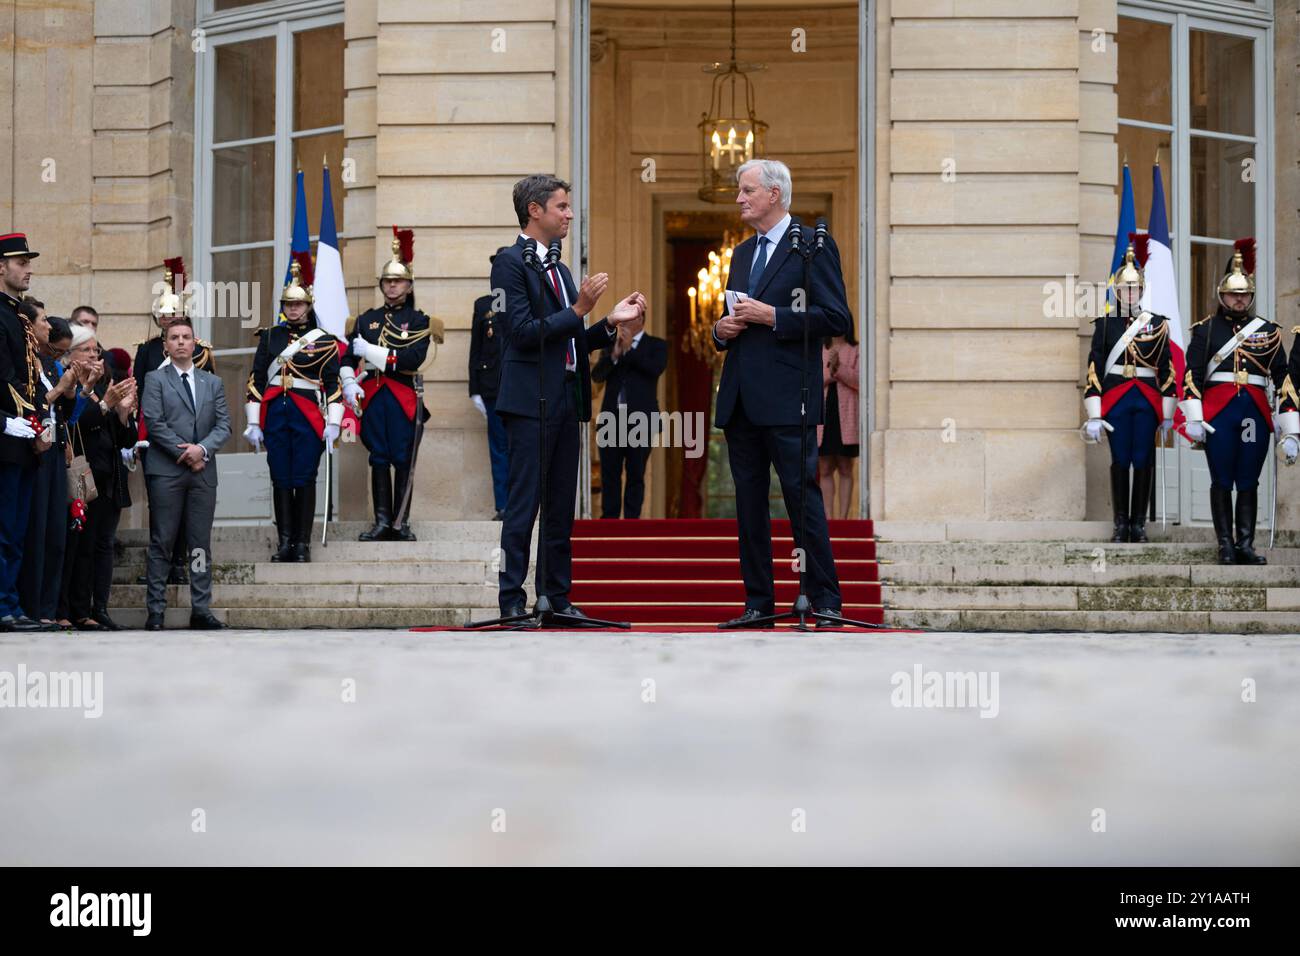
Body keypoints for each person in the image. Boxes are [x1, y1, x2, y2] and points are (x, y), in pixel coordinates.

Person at [492, 173, 644, 618]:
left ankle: (556, 599)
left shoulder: (557, 268)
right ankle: (511, 603)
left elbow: (571, 340)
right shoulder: (508, 263)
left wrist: (611, 322)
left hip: (565, 399)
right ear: (534, 210)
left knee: (561, 506)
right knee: (524, 505)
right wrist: (578, 309)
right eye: (561, 206)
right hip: (527, 401)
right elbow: (518, 334)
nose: (570, 214)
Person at [711, 159, 847, 628]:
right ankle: (758, 605)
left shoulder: (812, 246)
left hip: (791, 397)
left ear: (774, 194)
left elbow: (837, 319)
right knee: (748, 507)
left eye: (747, 190)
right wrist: (720, 329)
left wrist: (775, 317)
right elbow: (732, 318)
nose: (739, 198)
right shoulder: (742, 255)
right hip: (740, 399)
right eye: (739, 191)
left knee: (801, 499)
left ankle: (824, 598)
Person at [1181, 238, 1296, 565]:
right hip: (1218, 414)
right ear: (1222, 296)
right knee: (1221, 478)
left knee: (1248, 478)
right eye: (1234, 294)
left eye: (1244, 294)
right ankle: (1225, 545)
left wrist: (1290, 430)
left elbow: (1283, 379)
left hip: (1254, 414)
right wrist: (1193, 416)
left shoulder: (1269, 332)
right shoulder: (1206, 331)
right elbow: (1193, 374)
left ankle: (1244, 544)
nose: (1239, 299)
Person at [340, 227, 443, 542]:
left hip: (402, 396)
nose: (392, 286)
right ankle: (382, 522)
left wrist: (372, 352)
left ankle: (400, 523)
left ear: (408, 284)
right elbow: (346, 357)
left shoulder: (421, 321)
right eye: (387, 281)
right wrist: (347, 380)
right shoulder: (366, 320)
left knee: (402, 458)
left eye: (397, 281)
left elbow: (412, 359)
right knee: (379, 458)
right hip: (373, 395)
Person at [244, 259, 344, 562]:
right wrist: (253, 421)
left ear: (308, 306)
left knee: (304, 478)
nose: (293, 309)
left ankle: (302, 544)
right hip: (276, 415)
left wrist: (335, 424)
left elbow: (333, 385)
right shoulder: (270, 337)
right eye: (288, 304)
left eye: (299, 305)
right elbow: (256, 379)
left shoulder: (324, 341)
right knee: (280, 478)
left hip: (308, 417)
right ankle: (284, 542)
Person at [1081, 238, 1175, 543]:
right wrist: (1094, 413)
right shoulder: (1105, 325)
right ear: (1116, 291)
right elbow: (1094, 370)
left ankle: (1139, 524)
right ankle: (1120, 524)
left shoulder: (1158, 325)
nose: (1129, 293)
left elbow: (1168, 371)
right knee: (1121, 458)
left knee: (1143, 458)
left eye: (1134, 288)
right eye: (1124, 289)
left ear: (1142, 291)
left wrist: (1169, 412)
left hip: (1147, 398)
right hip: (1116, 398)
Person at [140, 317, 231, 630]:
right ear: (165, 345)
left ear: (195, 343)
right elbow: (154, 423)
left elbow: (224, 425)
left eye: (186, 337)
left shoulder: (212, 383)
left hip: (203, 474)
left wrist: (202, 450)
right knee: (162, 541)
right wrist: (186, 454)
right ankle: (155, 611)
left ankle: (201, 609)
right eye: (174, 337)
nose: (180, 342)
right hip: (167, 472)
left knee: (199, 545)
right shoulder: (155, 379)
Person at [133, 258, 215, 586]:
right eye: (163, 316)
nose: (168, 320)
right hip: (158, 438)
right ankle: (161, 566)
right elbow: (139, 392)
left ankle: (182, 563)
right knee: (161, 506)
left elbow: (208, 397)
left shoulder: (201, 351)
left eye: (174, 315)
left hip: (192, 439)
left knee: (190, 509)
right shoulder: (148, 351)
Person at [55, 323, 136, 631]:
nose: (94, 355)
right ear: (71, 353)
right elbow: (79, 421)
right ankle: (62, 609)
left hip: (104, 477)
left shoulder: (104, 384)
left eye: (96, 350)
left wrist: (124, 412)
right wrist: (104, 404)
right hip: (76, 474)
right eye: (86, 350)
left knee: (91, 548)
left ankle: (84, 609)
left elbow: (124, 438)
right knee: (72, 546)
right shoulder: (72, 382)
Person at [0, 232, 51, 633]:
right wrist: (14, 416)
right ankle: (3, 606)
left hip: (22, 436)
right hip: (5, 433)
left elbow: (30, 377)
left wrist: (39, 418)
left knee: (16, 528)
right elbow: (4, 377)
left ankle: (11, 604)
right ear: (1, 268)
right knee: (4, 527)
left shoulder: (18, 315)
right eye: (20, 262)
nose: (28, 268)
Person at [17, 311, 74, 629]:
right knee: (35, 531)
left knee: (55, 531)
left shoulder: (52, 365)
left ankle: (49, 608)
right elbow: (35, 402)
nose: (58, 356)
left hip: (55, 449)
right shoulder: (29, 361)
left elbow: (62, 412)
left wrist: (72, 390)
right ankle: (32, 606)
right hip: (34, 448)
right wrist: (58, 390)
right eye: (55, 350)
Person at [591, 305, 667, 519]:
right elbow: (597, 376)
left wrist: (629, 350)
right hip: (611, 421)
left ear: (641, 319)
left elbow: (655, 369)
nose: (623, 322)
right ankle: (610, 522)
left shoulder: (656, 345)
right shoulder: (610, 346)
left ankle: (632, 524)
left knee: (636, 474)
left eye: (629, 318)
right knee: (610, 475)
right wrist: (615, 354)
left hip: (641, 421)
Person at [468, 249, 510, 520]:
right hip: (493, 386)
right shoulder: (484, 305)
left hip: (522, 388)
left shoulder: (527, 300)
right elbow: (476, 348)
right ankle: (503, 506)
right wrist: (474, 390)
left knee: (524, 450)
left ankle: (523, 505)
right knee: (499, 448)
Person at [817, 321, 860, 521]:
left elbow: (860, 381)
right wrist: (831, 370)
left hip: (847, 416)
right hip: (823, 417)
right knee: (824, 468)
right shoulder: (819, 349)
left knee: (845, 466)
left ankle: (842, 518)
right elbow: (812, 380)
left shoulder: (856, 350)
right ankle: (828, 517)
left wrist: (839, 368)